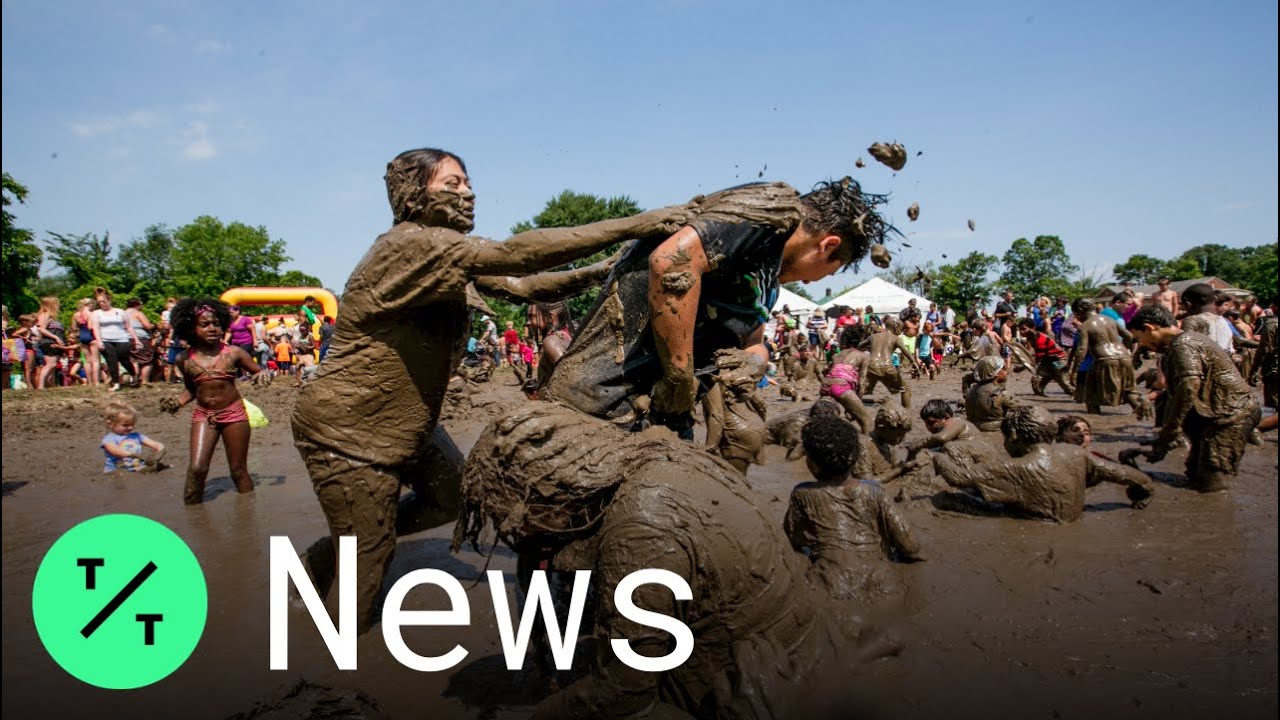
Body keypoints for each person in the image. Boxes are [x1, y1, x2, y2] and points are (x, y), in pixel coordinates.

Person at [291, 147, 695, 631]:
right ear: (411, 197)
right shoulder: (412, 247)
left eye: (467, 182)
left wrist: (611, 266)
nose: (469, 192)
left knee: (449, 498)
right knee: (364, 577)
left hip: (405, 424)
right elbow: (516, 253)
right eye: (452, 184)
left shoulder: (444, 256)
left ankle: (343, 542)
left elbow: (525, 285)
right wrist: (638, 223)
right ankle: (330, 667)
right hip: (349, 431)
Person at [543, 177, 894, 442]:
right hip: (601, 405)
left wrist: (756, 361)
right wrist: (678, 377)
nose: (818, 281)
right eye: (830, 271)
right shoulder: (766, 217)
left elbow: (754, 343)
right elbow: (670, 264)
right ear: (827, 245)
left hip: (661, 421)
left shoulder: (768, 279)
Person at [933, 405, 1154, 522]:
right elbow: (1128, 475)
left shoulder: (1012, 468)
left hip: (1032, 522)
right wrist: (1143, 490)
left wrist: (937, 457)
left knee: (947, 498)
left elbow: (957, 477)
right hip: (1071, 518)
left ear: (1013, 436)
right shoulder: (1075, 454)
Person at [784, 414, 922, 603]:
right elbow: (911, 547)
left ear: (813, 464)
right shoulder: (875, 492)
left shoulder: (803, 494)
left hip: (830, 580)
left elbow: (791, 541)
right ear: (855, 457)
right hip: (883, 579)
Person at [1125, 305, 1261, 491]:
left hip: (1231, 415)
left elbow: (1189, 387)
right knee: (1194, 473)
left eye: (1140, 338)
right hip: (1216, 414)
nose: (1143, 344)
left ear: (1150, 328)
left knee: (1213, 481)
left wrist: (1170, 429)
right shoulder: (1181, 343)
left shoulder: (1183, 344)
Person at [163, 299, 267, 504]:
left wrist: (263, 376)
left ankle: (247, 512)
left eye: (216, 324)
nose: (212, 328)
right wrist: (177, 402)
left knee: (238, 470)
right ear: (191, 328)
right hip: (204, 415)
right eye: (204, 325)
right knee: (197, 468)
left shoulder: (234, 353)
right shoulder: (184, 359)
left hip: (234, 414)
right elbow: (192, 390)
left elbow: (260, 371)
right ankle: (193, 509)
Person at [1070, 297, 1148, 417]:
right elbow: (1128, 336)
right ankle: (1143, 414)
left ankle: (1095, 422)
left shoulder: (1085, 325)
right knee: (1128, 390)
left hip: (1104, 360)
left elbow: (1081, 350)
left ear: (1080, 310)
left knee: (1089, 395)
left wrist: (1074, 371)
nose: (1075, 317)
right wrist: (1125, 350)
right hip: (1124, 357)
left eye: (1075, 313)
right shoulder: (1110, 320)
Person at [860, 316, 919, 408]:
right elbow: (905, 350)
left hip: (871, 366)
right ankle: (907, 411)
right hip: (887, 366)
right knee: (905, 389)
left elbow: (859, 346)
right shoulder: (896, 338)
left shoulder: (873, 336)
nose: (901, 331)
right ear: (896, 326)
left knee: (862, 389)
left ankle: (852, 407)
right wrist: (914, 362)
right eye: (901, 328)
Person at [820, 325, 871, 432]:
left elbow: (825, 371)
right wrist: (857, 403)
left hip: (825, 386)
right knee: (866, 421)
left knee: (824, 421)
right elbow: (862, 384)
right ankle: (869, 447)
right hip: (841, 387)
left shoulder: (836, 356)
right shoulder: (863, 356)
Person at [90, 287, 140, 391]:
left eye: (104, 301)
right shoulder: (97, 313)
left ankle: (134, 374)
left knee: (124, 358)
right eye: (100, 302)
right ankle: (116, 383)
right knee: (111, 360)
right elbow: (96, 327)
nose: (102, 304)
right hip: (106, 339)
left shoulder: (120, 312)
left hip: (121, 338)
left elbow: (128, 326)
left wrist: (136, 339)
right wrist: (99, 341)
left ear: (109, 300)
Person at [101, 401, 166, 473]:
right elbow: (115, 451)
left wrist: (160, 450)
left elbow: (155, 444)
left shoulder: (137, 436)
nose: (130, 427)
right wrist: (133, 455)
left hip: (136, 467)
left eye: (132, 424)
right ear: (110, 424)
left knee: (151, 469)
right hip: (115, 470)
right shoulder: (109, 439)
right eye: (125, 425)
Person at [906, 398, 980, 460]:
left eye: (932, 423)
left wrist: (918, 444)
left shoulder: (957, 422)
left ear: (946, 416)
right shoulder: (949, 427)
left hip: (975, 456)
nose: (928, 427)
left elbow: (941, 438)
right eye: (926, 424)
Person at [1017, 317, 1074, 396]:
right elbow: (1035, 356)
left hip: (1059, 359)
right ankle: (1040, 397)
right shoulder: (1030, 337)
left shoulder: (1039, 337)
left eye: (1024, 329)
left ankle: (1077, 395)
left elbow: (1038, 357)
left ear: (1032, 328)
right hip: (1047, 359)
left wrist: (1023, 367)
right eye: (1020, 329)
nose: (1021, 332)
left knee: (1063, 382)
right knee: (1037, 381)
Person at [966, 355, 1016, 431]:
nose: (1007, 372)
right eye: (1004, 369)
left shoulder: (971, 390)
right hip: (995, 429)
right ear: (995, 373)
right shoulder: (1000, 394)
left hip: (971, 426)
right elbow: (1018, 409)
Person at [34, 296, 68, 390]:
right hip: (49, 342)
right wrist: (56, 338)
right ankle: (41, 386)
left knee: (53, 366)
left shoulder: (50, 315)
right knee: (51, 364)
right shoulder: (45, 314)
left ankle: (52, 386)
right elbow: (41, 329)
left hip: (53, 342)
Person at [125, 298, 157, 385]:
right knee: (146, 360)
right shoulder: (138, 313)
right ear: (136, 305)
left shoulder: (123, 313)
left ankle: (135, 379)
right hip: (141, 338)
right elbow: (147, 326)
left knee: (133, 360)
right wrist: (154, 325)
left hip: (126, 339)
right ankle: (144, 381)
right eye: (141, 304)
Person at [72, 297, 101, 386]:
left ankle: (89, 381)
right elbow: (90, 327)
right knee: (95, 360)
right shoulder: (92, 314)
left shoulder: (76, 315)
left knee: (87, 361)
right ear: (90, 305)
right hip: (92, 336)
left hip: (82, 336)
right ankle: (96, 381)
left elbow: (74, 328)